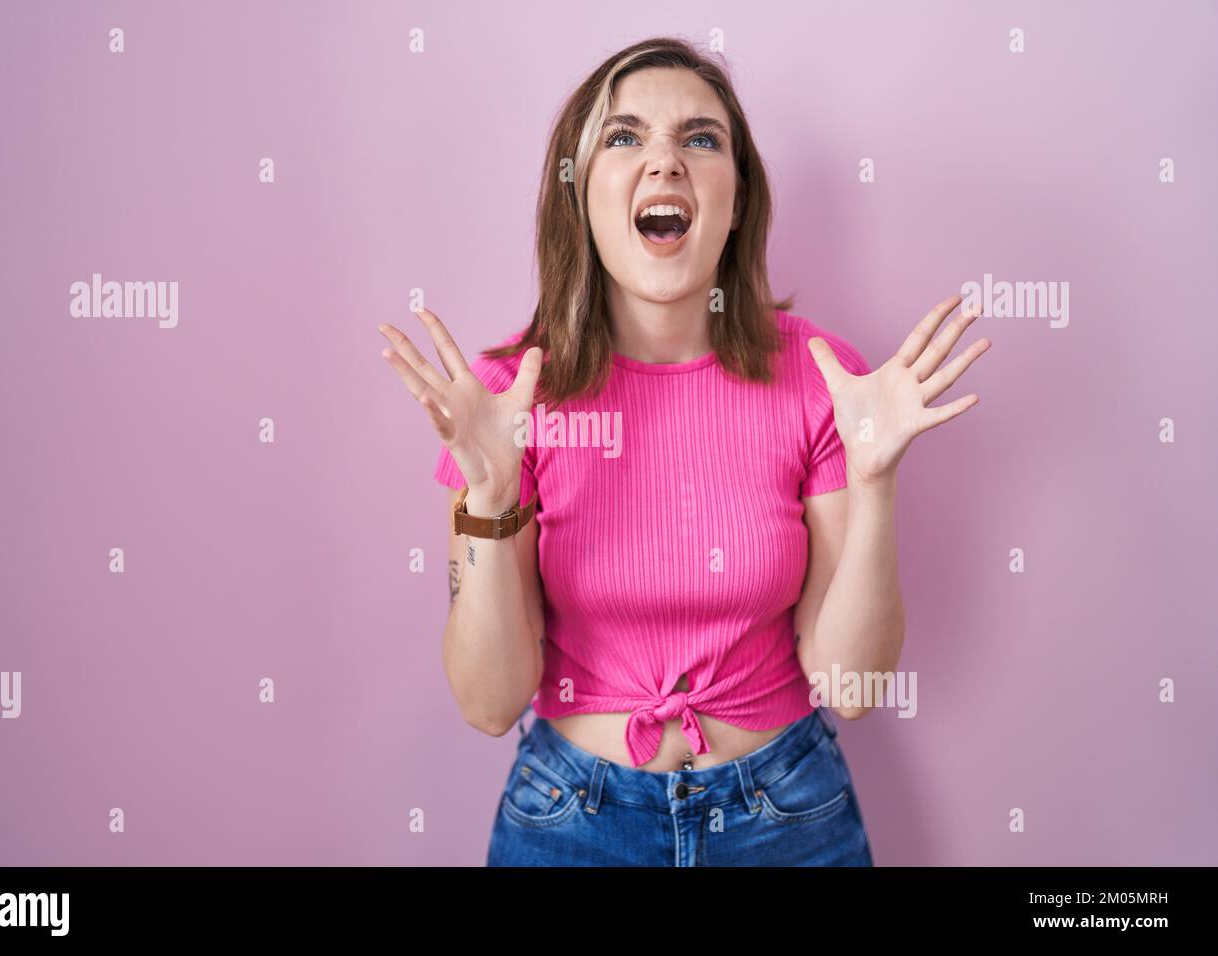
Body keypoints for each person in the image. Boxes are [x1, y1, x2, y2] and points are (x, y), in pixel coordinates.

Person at [378, 37, 988, 866]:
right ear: (581, 192)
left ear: (735, 202)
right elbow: (490, 703)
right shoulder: (508, 398)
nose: (664, 161)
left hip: (787, 816)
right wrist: (490, 496)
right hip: (572, 819)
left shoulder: (821, 377)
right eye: (625, 138)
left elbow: (852, 687)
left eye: (701, 139)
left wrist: (875, 480)